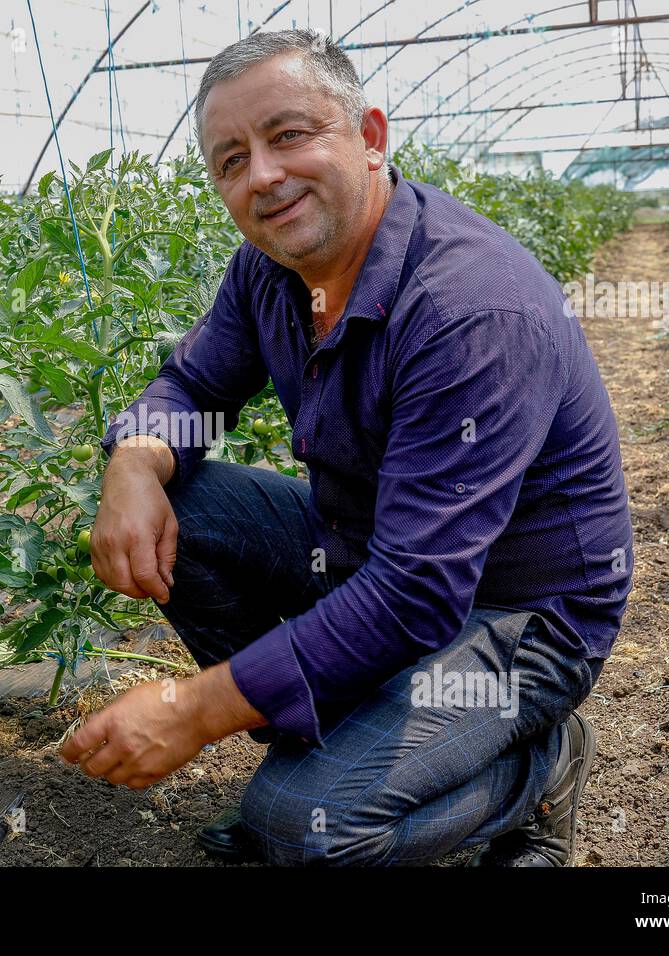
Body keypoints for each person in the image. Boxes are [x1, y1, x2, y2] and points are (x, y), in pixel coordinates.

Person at [58, 29, 633, 867]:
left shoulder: (468, 308)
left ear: (369, 137)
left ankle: (537, 766)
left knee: (306, 830)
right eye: (230, 160)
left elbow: (419, 592)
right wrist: (134, 460)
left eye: (289, 135)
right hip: (370, 556)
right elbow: (193, 388)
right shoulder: (271, 270)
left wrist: (192, 710)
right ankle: (328, 748)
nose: (262, 175)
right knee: (183, 507)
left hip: (517, 616)